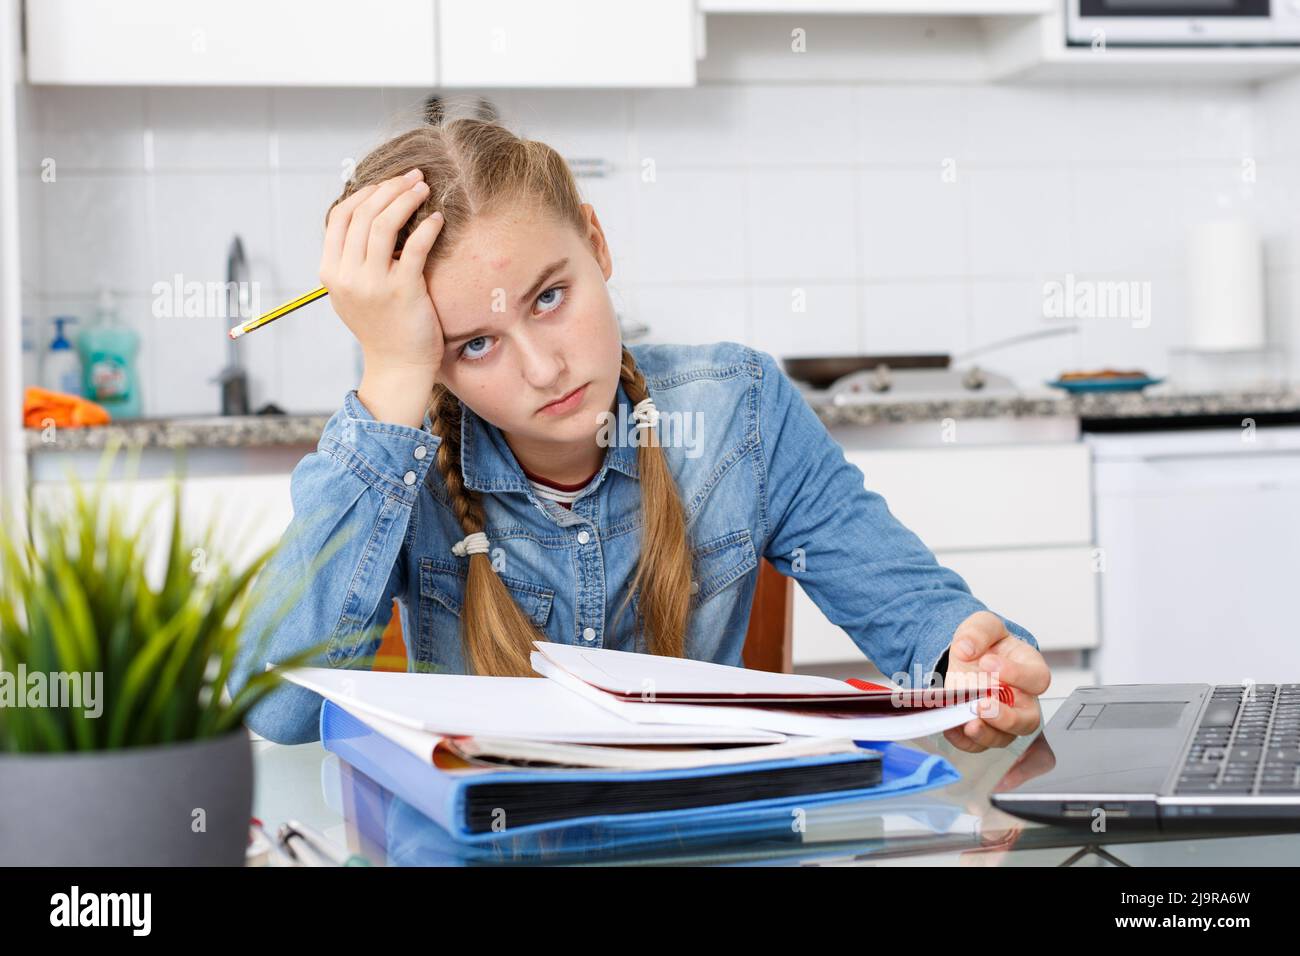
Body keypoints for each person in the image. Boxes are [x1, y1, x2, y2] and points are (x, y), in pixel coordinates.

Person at [229, 116, 1050, 749]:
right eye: (473, 344)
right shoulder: (404, 454)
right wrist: (393, 378)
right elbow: (281, 709)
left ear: (596, 242)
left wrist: (966, 663)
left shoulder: (741, 409)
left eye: (551, 296)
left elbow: (916, 616)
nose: (546, 370)